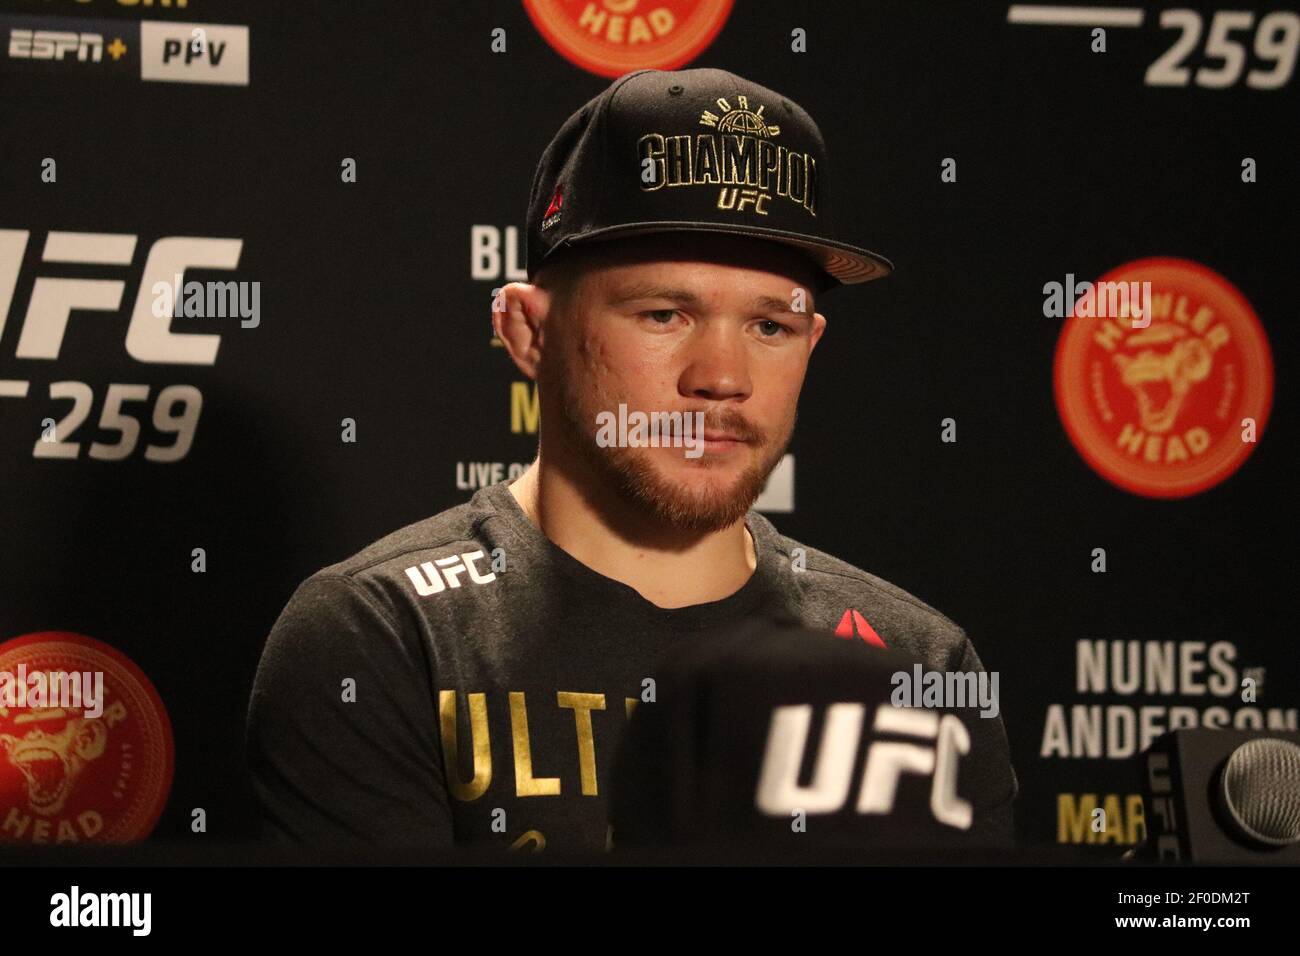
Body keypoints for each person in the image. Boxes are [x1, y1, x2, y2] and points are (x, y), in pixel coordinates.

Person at [245, 67, 1017, 853]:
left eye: (770, 327)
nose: (723, 377)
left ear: (811, 346)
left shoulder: (918, 664)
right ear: (528, 333)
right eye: (663, 312)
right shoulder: (384, 636)